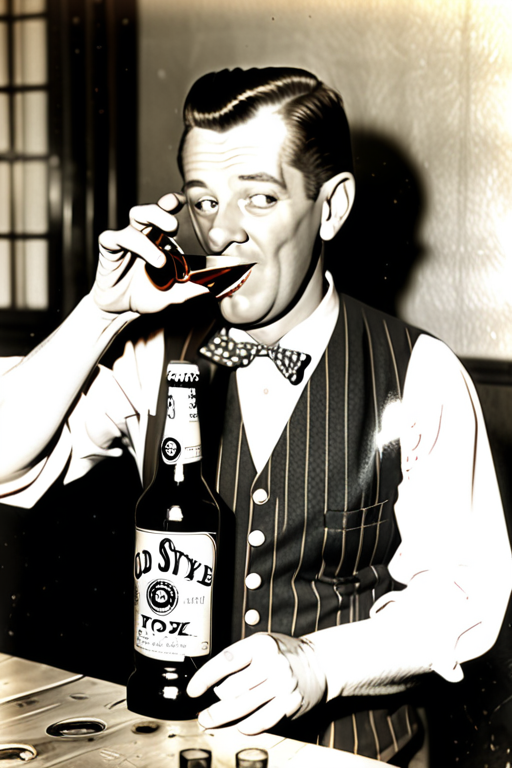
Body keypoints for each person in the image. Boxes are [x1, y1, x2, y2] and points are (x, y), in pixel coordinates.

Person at [0, 67, 511, 764]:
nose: (224, 233)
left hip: (357, 755)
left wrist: (316, 664)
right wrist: (100, 314)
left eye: (260, 199)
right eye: (205, 203)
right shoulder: (154, 354)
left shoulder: (419, 374)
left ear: (330, 208)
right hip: (181, 746)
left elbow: (462, 600)